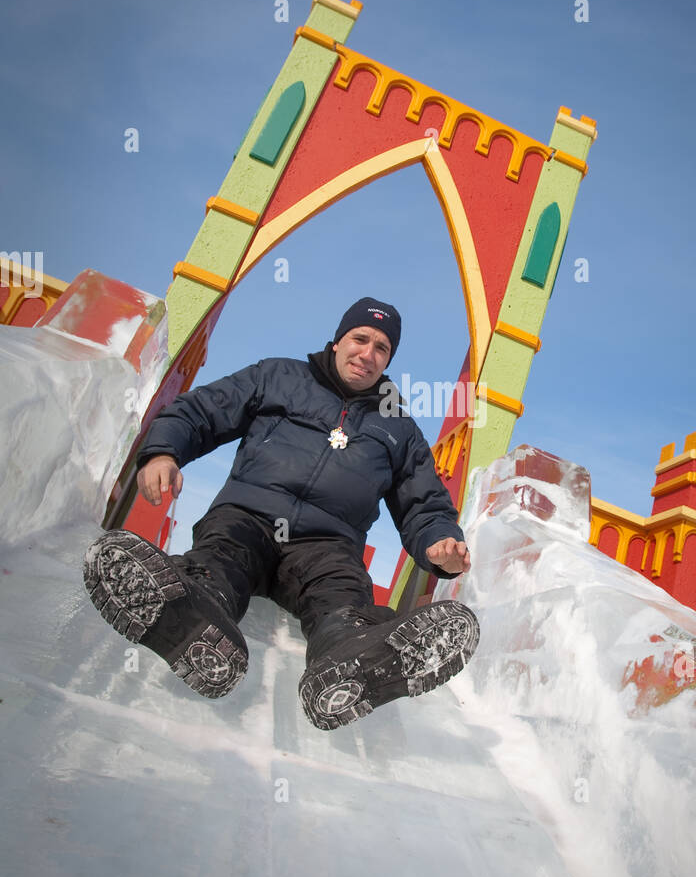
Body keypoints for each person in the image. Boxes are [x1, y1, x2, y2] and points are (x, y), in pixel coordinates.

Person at [83, 298, 479, 730]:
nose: (368, 354)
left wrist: (439, 542)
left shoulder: (399, 428)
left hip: (327, 546)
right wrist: (162, 451)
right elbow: (204, 410)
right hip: (249, 516)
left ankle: (350, 658)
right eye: (360, 339)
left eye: (382, 348)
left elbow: (424, 503)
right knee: (219, 563)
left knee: (342, 598)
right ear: (338, 340)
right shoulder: (279, 376)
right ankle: (195, 611)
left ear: (388, 361)